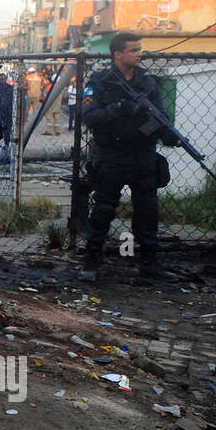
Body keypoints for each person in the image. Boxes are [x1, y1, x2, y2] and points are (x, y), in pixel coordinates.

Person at [78, 32, 180, 284]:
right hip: (113, 155)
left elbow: (161, 117)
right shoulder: (100, 82)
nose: (139, 53)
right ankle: (91, 262)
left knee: (148, 212)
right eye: (133, 50)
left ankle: (149, 264)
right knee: (103, 210)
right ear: (118, 54)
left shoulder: (147, 83)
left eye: (139, 49)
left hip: (144, 157)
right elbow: (90, 117)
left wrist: (169, 136)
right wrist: (120, 108)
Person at [0, 72, 14, 166]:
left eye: (3, 79)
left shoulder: (10, 88)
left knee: (7, 128)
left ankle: (7, 144)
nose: (2, 81)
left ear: (6, 79)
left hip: (7, 111)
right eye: (0, 79)